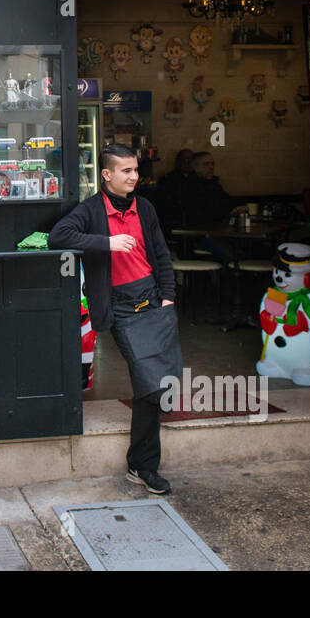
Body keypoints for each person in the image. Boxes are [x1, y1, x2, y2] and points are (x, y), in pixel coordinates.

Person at [48, 143, 182, 494]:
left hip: (154, 300)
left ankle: (140, 465)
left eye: (136, 170)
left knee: (157, 384)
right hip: (120, 307)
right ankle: (144, 466)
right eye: (126, 171)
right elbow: (57, 236)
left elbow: (161, 253)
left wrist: (168, 296)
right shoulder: (91, 210)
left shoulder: (146, 207)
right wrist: (106, 242)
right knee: (151, 380)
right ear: (106, 174)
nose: (134, 177)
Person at [154, 148, 195, 232]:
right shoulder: (169, 180)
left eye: (191, 160)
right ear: (178, 162)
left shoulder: (197, 178)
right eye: (185, 160)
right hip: (176, 225)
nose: (188, 163)